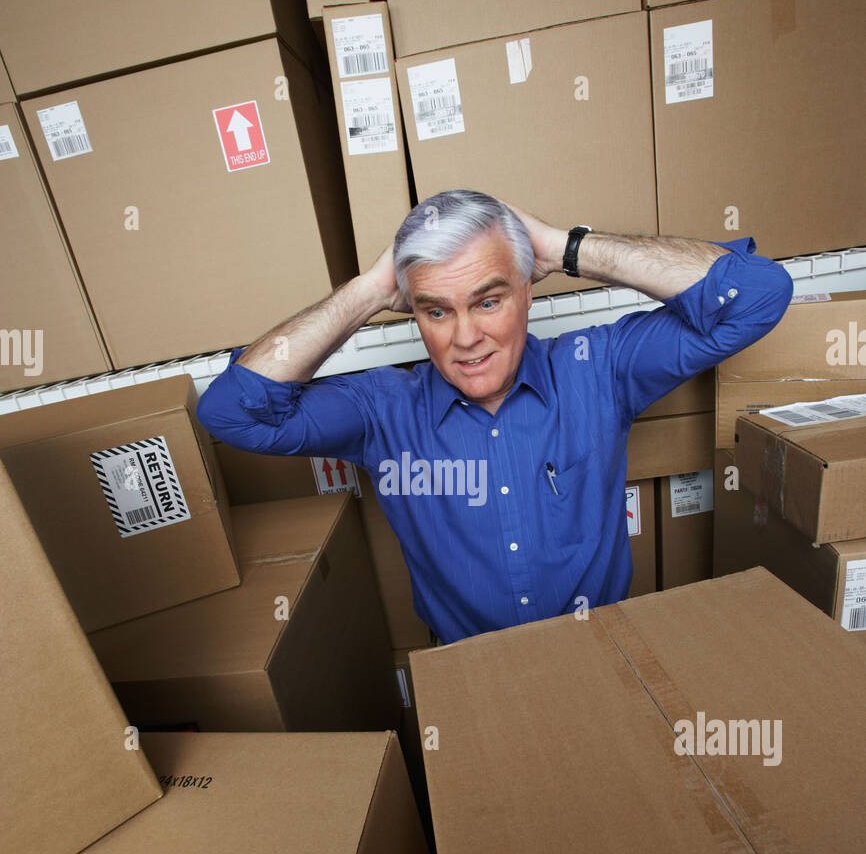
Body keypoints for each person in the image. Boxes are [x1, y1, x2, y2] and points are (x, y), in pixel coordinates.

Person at [196, 190, 793, 643]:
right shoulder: (382, 410)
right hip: (471, 683)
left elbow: (757, 296)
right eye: (436, 311)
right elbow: (233, 413)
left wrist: (565, 247)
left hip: (603, 654)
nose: (466, 338)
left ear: (528, 289)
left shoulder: (598, 369)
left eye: (488, 300)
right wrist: (371, 290)